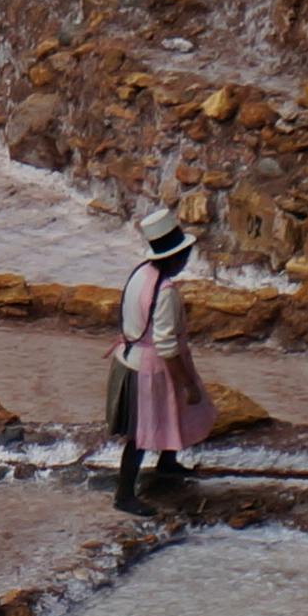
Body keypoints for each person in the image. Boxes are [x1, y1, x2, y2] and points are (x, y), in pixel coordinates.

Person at [113, 210, 215, 514]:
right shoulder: (166, 292)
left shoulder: (141, 274)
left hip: (131, 357)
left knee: (170, 413)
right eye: (184, 254)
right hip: (151, 367)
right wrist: (186, 383)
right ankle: (124, 494)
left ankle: (167, 463)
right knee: (142, 431)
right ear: (175, 258)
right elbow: (167, 346)